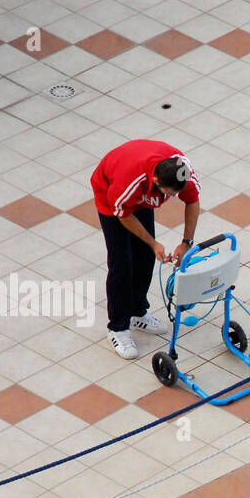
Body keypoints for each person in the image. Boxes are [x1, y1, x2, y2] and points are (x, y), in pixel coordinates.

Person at [90, 140, 202, 358]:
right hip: (111, 198)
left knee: (145, 258)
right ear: (156, 180)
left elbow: (193, 201)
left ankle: (136, 310)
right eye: (168, 193)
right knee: (121, 264)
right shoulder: (128, 183)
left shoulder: (182, 171)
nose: (170, 198)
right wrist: (153, 242)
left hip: (140, 197)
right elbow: (122, 213)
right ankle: (118, 327)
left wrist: (186, 242)